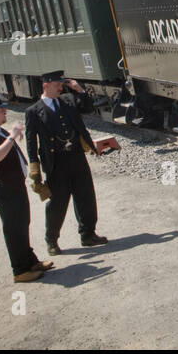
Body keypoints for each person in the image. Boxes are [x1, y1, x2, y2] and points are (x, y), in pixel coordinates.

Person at [0, 94, 53, 282]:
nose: (4, 112)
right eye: (1, 110)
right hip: (3, 190)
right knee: (14, 228)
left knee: (21, 225)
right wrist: (12, 137)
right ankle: (20, 270)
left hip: (11, 186)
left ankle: (30, 261)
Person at [25, 70, 107, 256]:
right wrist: (34, 168)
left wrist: (80, 90)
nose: (61, 87)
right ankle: (51, 240)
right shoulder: (33, 112)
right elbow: (31, 142)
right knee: (58, 202)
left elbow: (87, 108)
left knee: (85, 196)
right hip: (55, 162)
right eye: (57, 85)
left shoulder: (68, 101)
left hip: (77, 156)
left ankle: (88, 234)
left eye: (61, 84)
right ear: (46, 85)